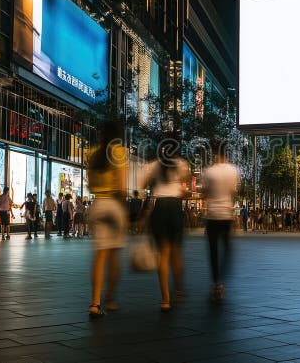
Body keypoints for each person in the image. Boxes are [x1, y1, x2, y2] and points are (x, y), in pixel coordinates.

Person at [140, 141, 190, 312]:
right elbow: (185, 190)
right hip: (174, 207)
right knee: (176, 251)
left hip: (159, 207)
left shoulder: (153, 165)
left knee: (163, 254)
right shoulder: (182, 164)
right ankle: (178, 289)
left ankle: (165, 300)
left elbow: (142, 186)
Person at [86, 122, 128, 318]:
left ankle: (95, 303)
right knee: (114, 257)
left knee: (99, 258)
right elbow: (121, 186)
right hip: (113, 206)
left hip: (97, 206)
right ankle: (110, 299)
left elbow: (89, 184)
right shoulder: (119, 152)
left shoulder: (93, 152)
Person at [202, 151, 240, 303]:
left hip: (212, 215)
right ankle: (220, 282)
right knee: (227, 249)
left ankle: (216, 283)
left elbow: (205, 192)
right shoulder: (233, 170)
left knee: (213, 251)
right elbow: (233, 192)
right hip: (226, 215)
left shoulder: (208, 171)